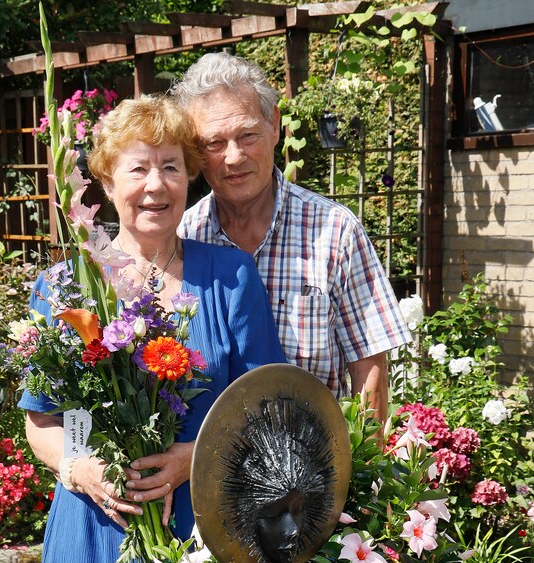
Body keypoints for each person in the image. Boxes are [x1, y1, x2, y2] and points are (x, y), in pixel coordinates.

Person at [19, 96, 284, 563]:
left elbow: (265, 405)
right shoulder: (69, 286)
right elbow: (42, 420)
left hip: (199, 529)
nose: (156, 184)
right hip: (95, 531)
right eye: (138, 168)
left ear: (189, 179)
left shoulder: (228, 277)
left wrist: (194, 455)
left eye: (172, 166)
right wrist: (78, 464)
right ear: (107, 181)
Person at [173, 52, 412, 424]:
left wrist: (365, 455)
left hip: (315, 453)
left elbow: (370, 368)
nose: (233, 157)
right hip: (207, 457)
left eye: (247, 135)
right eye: (214, 143)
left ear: (275, 126)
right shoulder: (185, 235)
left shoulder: (334, 231)